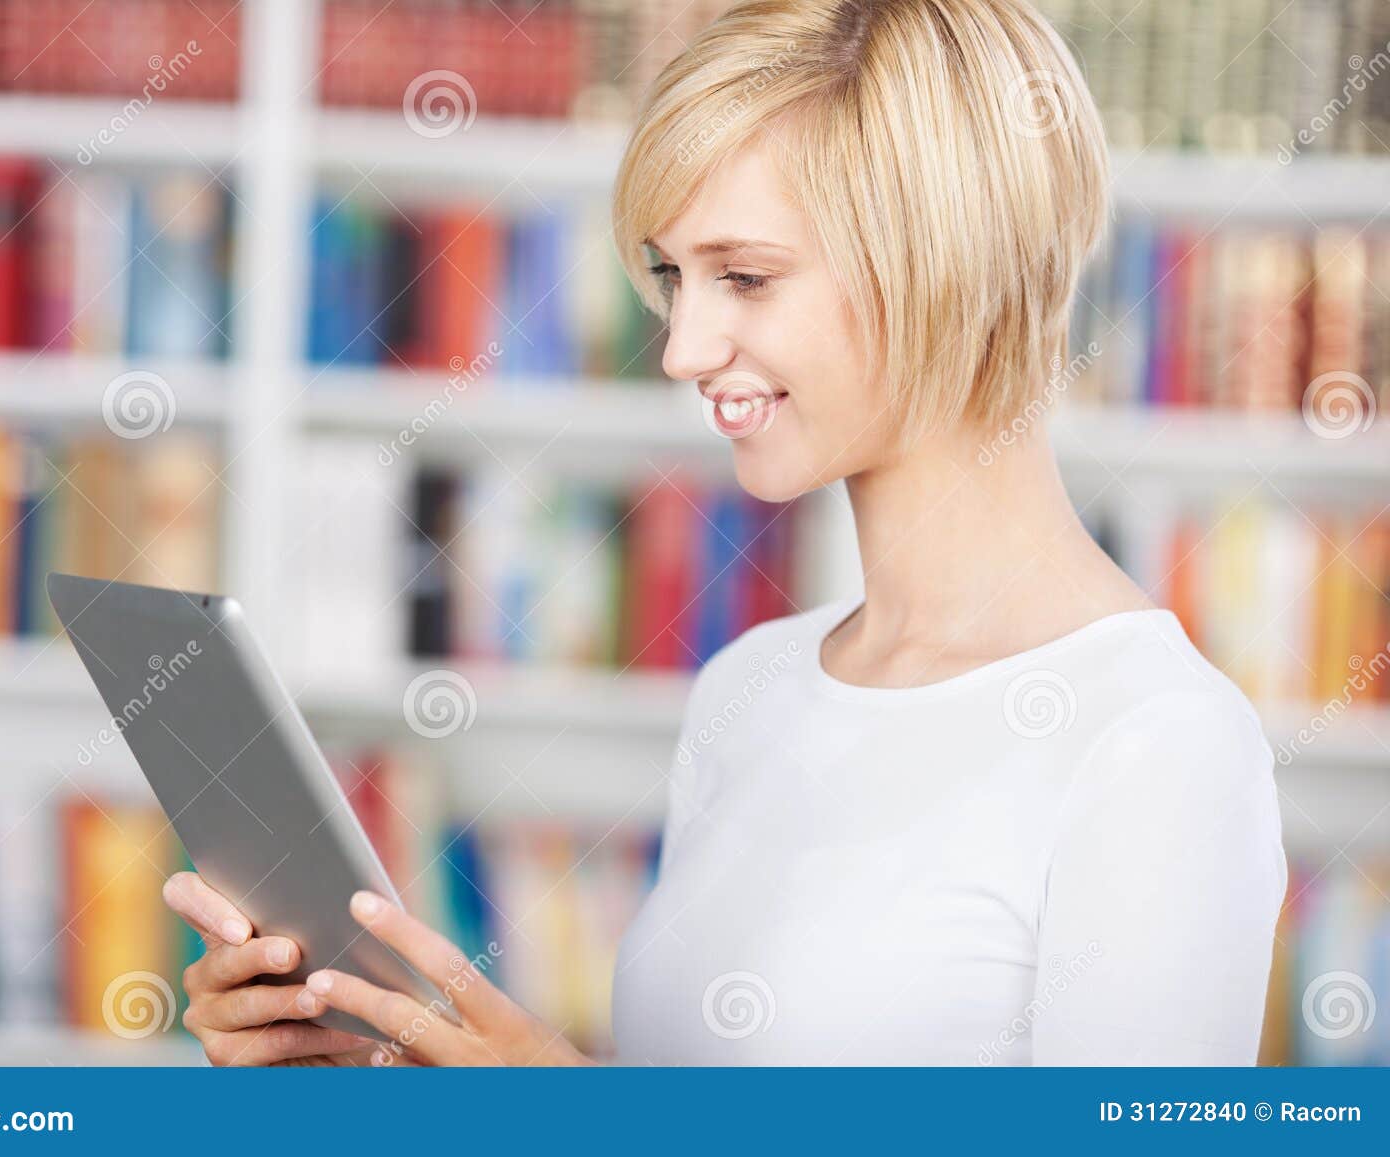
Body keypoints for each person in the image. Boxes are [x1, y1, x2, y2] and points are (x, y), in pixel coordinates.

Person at [163, 0, 1287, 1066]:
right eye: (672, 276)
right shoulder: (751, 686)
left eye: (745, 276)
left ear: (949, 264)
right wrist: (397, 1059)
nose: (683, 348)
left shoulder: (1159, 742)